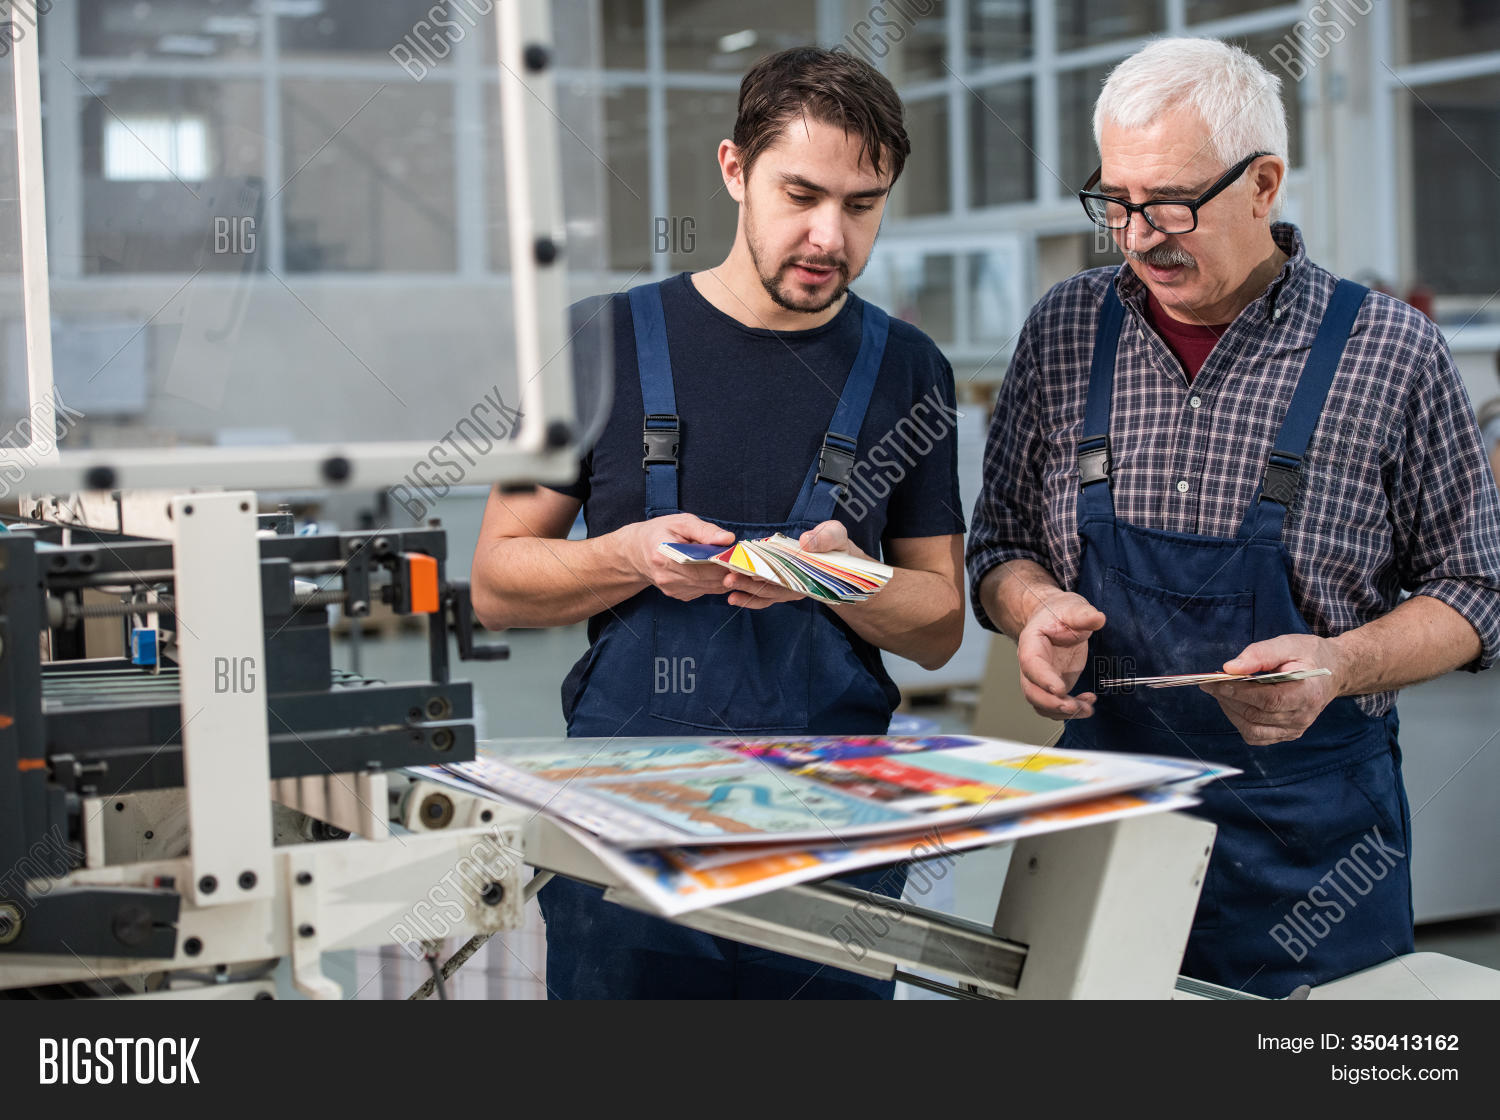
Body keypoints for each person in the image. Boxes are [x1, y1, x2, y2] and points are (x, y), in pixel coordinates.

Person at [966, 37, 1500, 998]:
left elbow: (1477, 590)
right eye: (1115, 201)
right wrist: (1030, 608)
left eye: (1169, 203)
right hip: (1102, 826)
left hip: (1314, 854)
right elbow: (1000, 546)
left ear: (1263, 184)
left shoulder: (1392, 353)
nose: (1136, 234)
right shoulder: (1063, 330)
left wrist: (1339, 664)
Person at [473, 47, 966, 999]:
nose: (830, 235)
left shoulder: (908, 369)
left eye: (862, 207)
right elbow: (495, 582)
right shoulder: (599, 341)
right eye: (802, 195)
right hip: (629, 825)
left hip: (833, 828)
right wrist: (626, 554)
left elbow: (940, 624)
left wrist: (839, 578)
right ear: (735, 170)